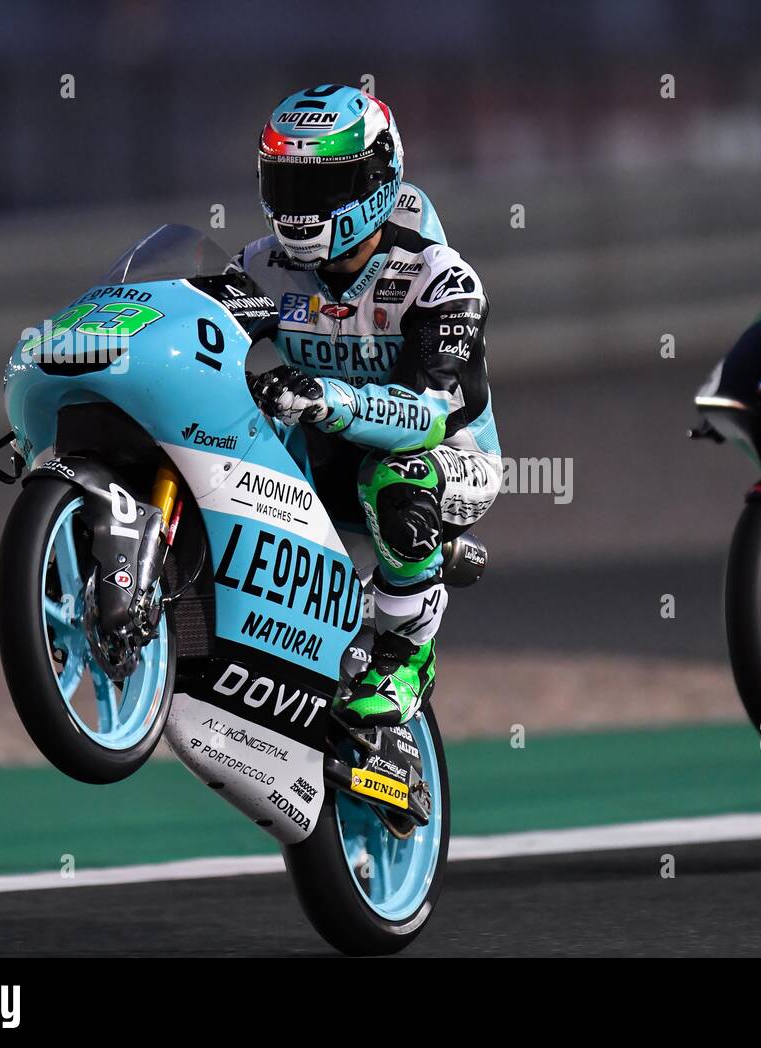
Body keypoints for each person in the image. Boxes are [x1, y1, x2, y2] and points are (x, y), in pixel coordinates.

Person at [231, 84, 501, 725]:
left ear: (376, 179)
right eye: (287, 186)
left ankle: (407, 654)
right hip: (321, 451)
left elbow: (433, 412)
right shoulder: (261, 266)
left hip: (448, 461)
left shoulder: (441, 279)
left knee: (397, 474)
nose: (299, 208)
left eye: (320, 189)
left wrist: (327, 397)